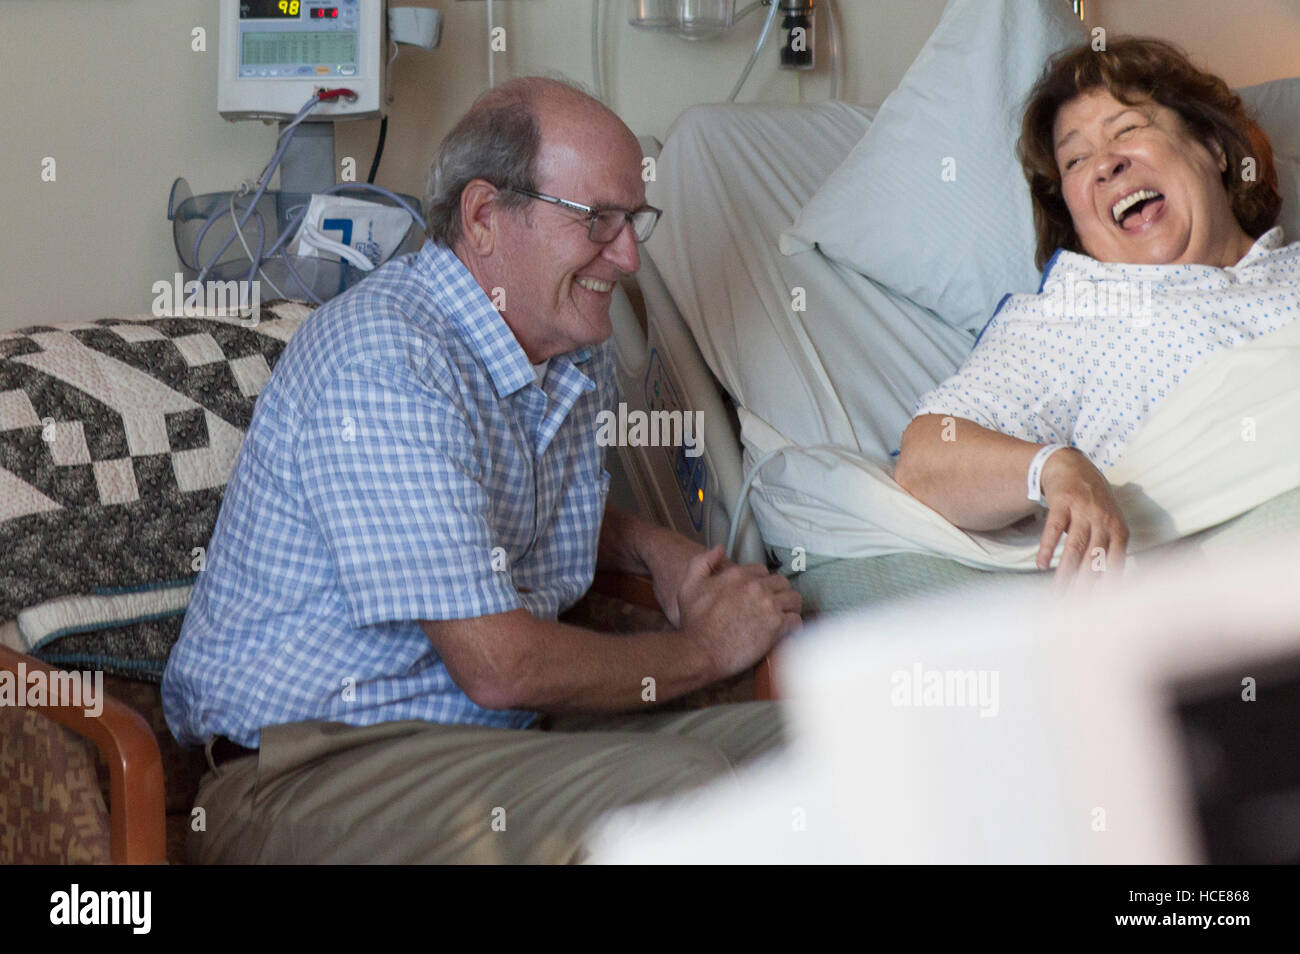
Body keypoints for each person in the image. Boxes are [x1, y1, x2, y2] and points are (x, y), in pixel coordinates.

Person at [161, 76, 801, 864]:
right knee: (690, 792)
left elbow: (499, 503)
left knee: (829, 749)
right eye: (598, 219)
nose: (629, 254)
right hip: (311, 772)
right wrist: (708, 648)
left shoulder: (568, 345)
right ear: (484, 216)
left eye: (634, 220)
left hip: (489, 744)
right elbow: (499, 666)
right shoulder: (387, 361)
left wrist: (647, 548)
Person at [894, 37, 1296, 586]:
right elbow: (926, 457)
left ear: (1213, 147)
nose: (1106, 164)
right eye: (1076, 160)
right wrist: (1056, 467)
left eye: (1127, 129)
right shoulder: (1070, 316)